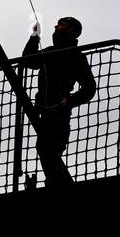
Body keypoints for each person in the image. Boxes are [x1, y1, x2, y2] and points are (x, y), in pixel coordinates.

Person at [21, 17, 96, 188]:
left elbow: (89, 89)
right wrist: (34, 37)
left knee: (47, 150)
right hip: (45, 111)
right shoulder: (50, 51)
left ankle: (61, 186)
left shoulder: (76, 57)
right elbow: (28, 61)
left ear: (71, 31)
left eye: (62, 25)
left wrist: (68, 100)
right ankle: (58, 185)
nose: (56, 27)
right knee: (45, 150)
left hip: (60, 114)